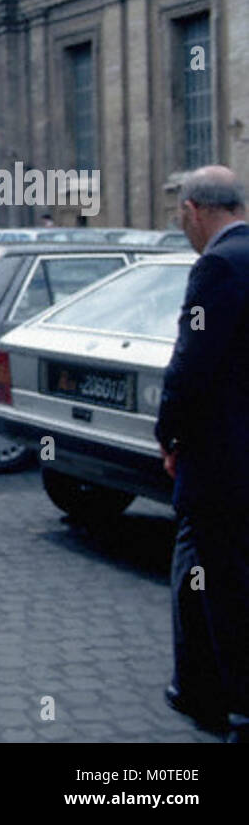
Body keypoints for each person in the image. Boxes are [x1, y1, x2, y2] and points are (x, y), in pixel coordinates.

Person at [155, 165, 249, 744]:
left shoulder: (216, 266)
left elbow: (189, 365)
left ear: (193, 210)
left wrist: (171, 437)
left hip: (221, 463)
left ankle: (219, 699)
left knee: (210, 580)